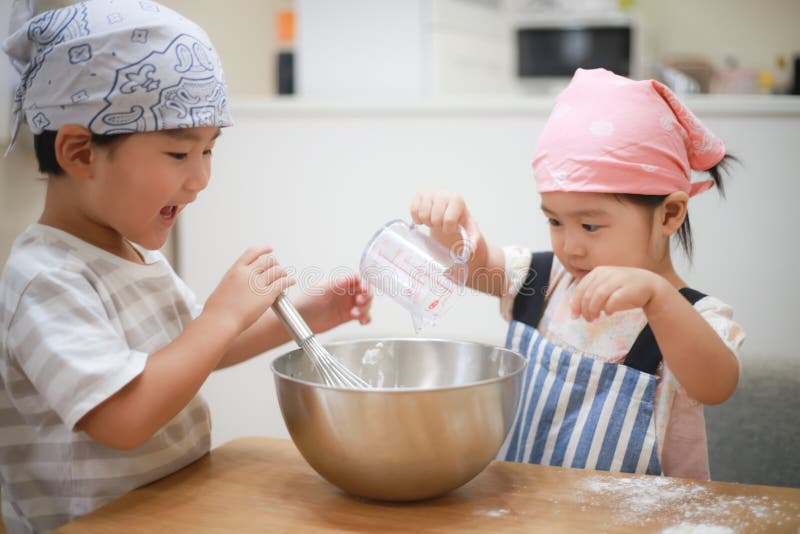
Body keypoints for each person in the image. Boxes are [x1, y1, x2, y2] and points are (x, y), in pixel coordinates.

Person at [0, 1, 372, 531]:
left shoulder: (135, 253)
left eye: (209, 151)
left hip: (171, 509)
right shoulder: (44, 278)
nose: (201, 178)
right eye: (179, 154)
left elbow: (194, 350)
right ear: (80, 153)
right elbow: (122, 418)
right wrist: (221, 314)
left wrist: (308, 314)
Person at [411, 68, 745, 481]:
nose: (570, 246)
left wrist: (658, 299)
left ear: (670, 213)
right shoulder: (545, 281)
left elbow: (717, 385)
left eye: (589, 226)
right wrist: (450, 230)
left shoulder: (691, 316)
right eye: (555, 222)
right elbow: (472, 267)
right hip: (532, 515)